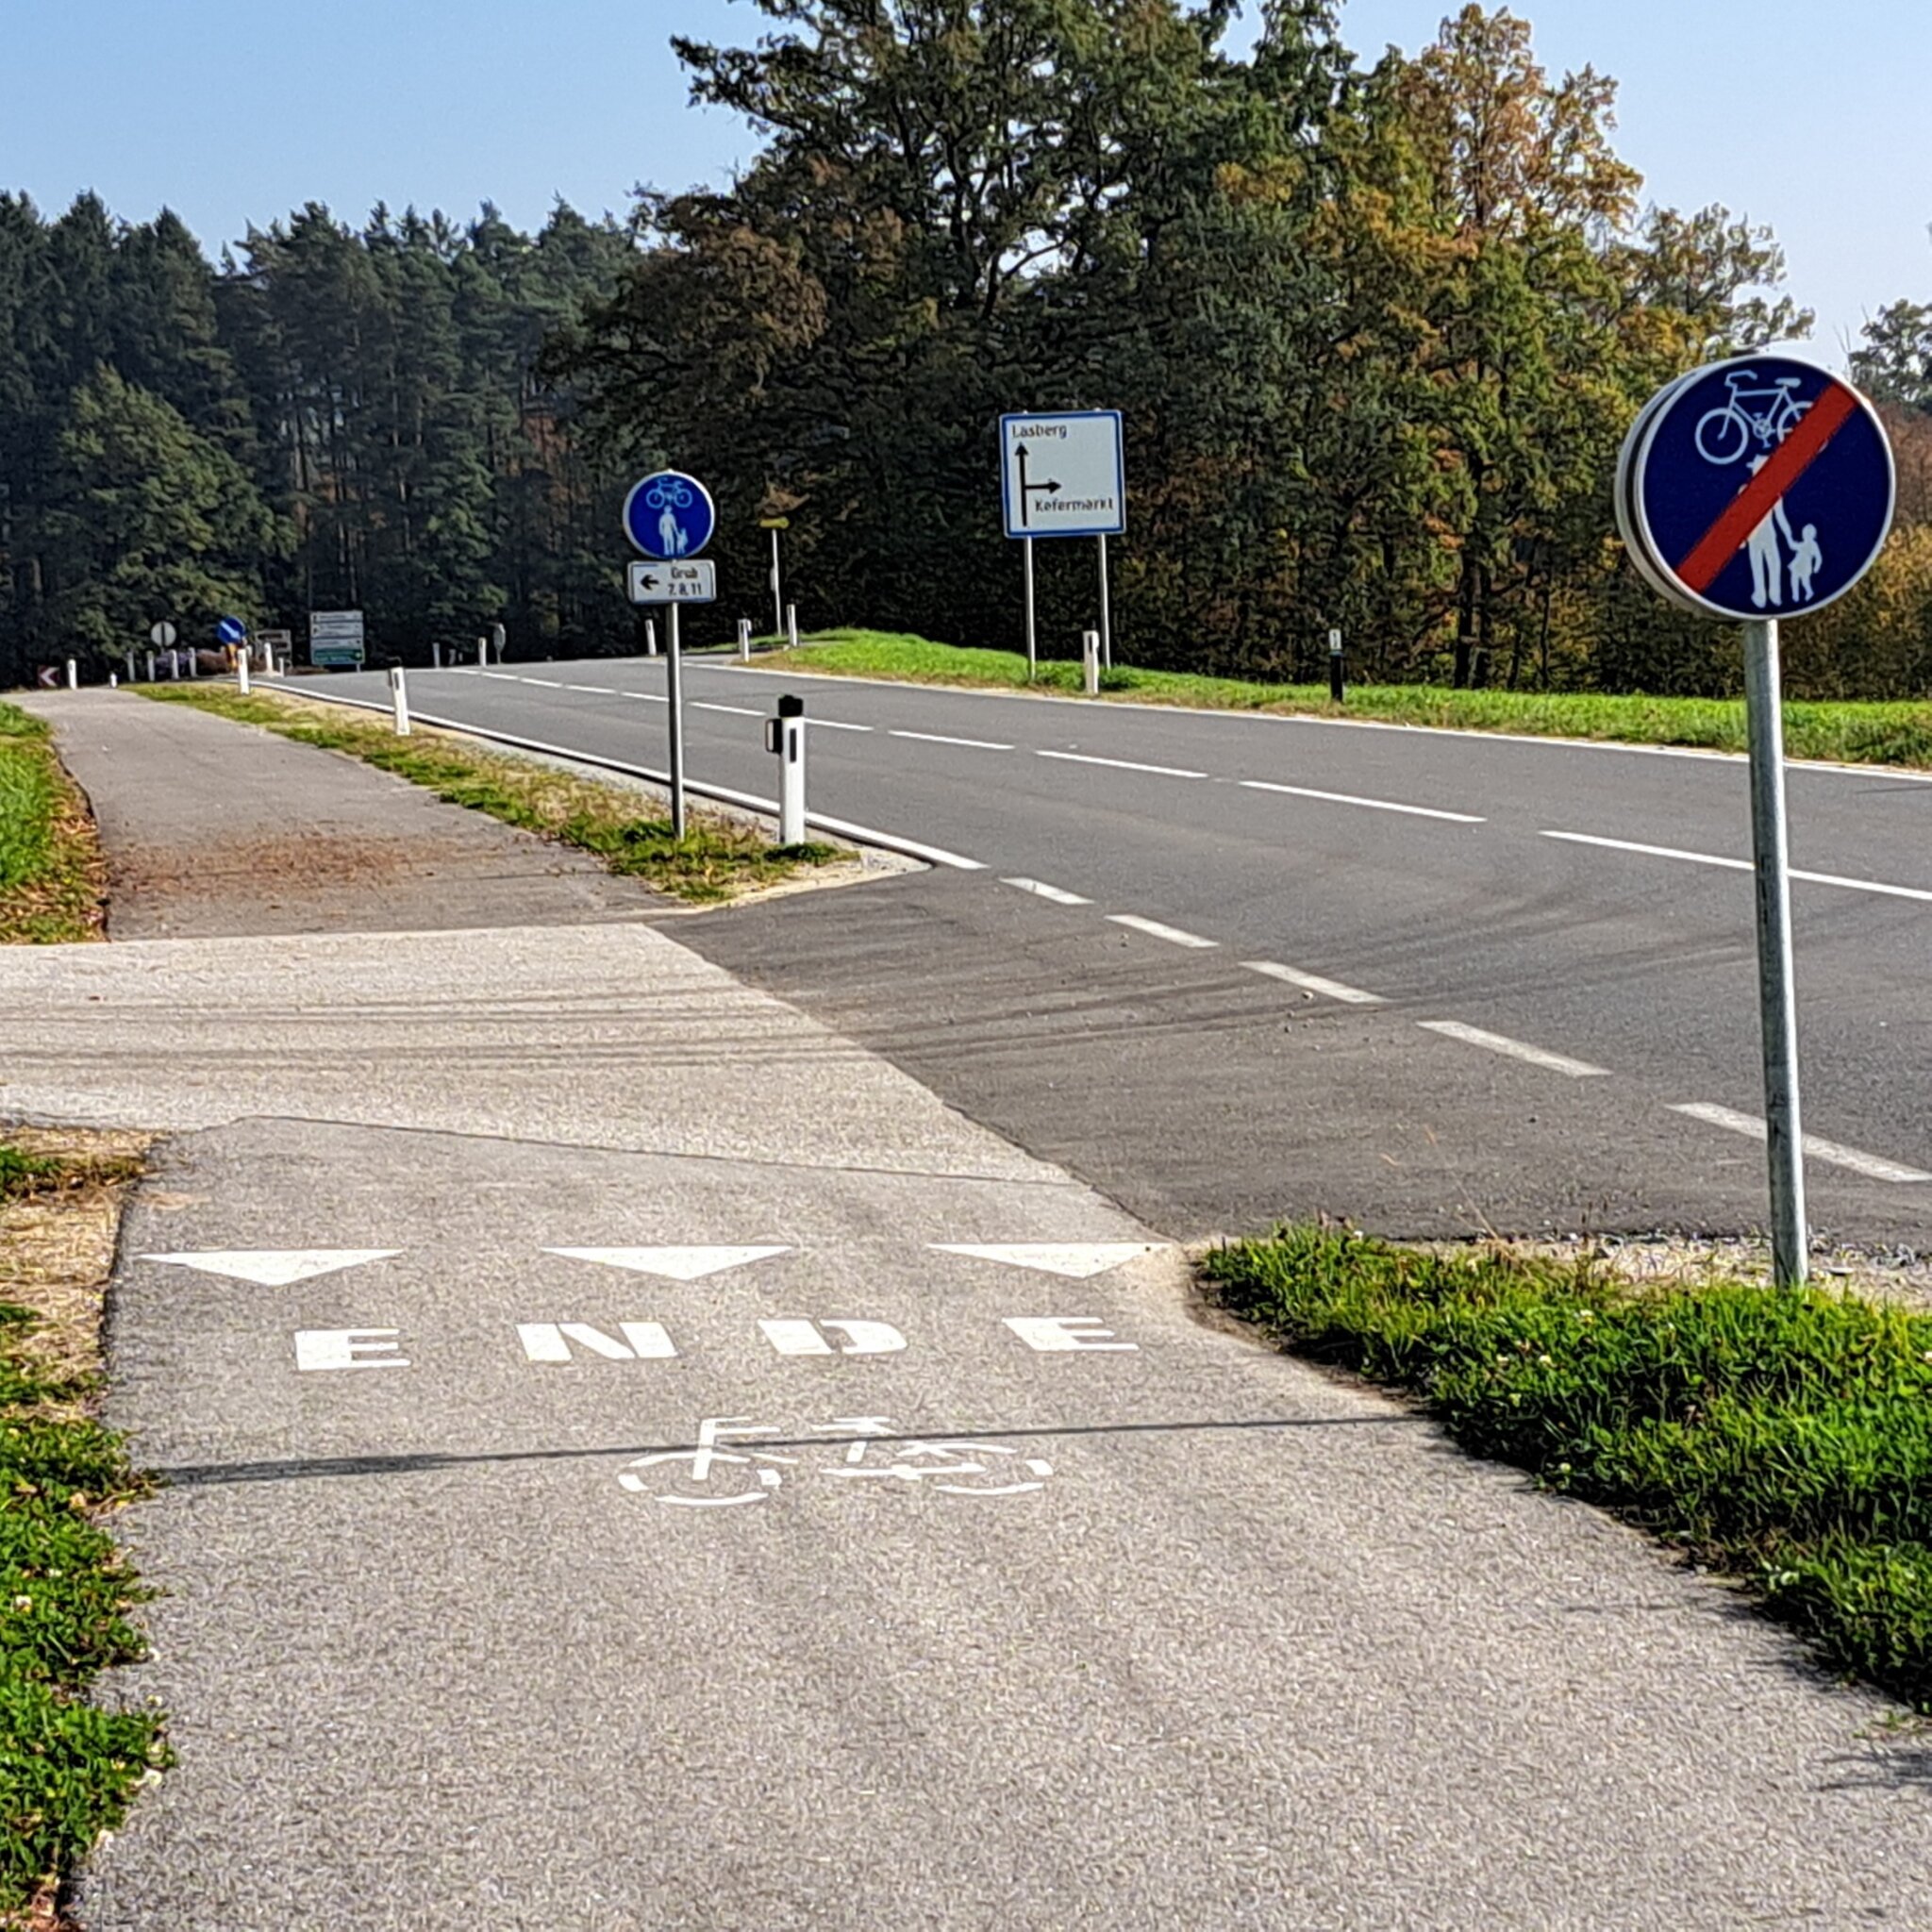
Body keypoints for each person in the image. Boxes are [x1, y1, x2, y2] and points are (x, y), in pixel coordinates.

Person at [1745, 455, 1798, 609]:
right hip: (1753, 536)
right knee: (1758, 565)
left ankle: (1775, 594)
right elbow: (1738, 518)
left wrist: (1789, 539)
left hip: (1768, 534)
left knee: (1774, 563)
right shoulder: (1745, 491)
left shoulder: (1774, 493)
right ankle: (1759, 595)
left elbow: (1781, 518)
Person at [1789, 524, 1823, 603]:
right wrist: (1789, 539)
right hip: (1797, 565)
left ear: (1812, 535)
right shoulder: (1803, 544)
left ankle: (1809, 592)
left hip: (1805, 567)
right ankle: (1795, 596)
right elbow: (1793, 546)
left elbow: (1818, 557)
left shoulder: (1813, 545)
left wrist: (1816, 568)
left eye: (1808, 534)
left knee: (1805, 581)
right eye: (1805, 533)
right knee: (1794, 580)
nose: (1805, 535)